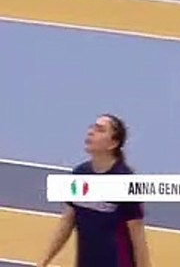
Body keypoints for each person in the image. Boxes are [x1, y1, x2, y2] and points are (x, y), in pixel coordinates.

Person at [37, 114, 152, 267]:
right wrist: (43, 262)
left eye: (100, 130)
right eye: (92, 127)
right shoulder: (80, 174)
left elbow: (138, 238)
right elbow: (67, 221)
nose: (91, 132)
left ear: (113, 143)